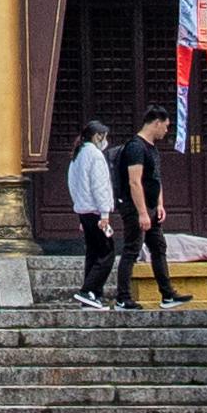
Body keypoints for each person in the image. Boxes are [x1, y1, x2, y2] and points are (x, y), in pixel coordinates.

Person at [117, 113, 182, 310]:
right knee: (132, 249)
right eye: (166, 126)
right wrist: (143, 213)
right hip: (136, 208)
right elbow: (135, 182)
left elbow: (155, 178)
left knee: (158, 247)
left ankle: (167, 293)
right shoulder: (136, 147)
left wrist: (160, 204)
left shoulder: (152, 148)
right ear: (156, 123)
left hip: (152, 207)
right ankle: (123, 296)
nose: (166, 130)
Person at [64, 118, 123, 307]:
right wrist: (105, 214)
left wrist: (79, 207)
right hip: (96, 211)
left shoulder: (78, 155)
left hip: (83, 211)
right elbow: (100, 187)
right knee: (107, 254)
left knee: (93, 253)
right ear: (98, 136)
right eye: (104, 136)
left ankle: (93, 295)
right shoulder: (95, 156)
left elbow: (73, 185)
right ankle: (88, 290)